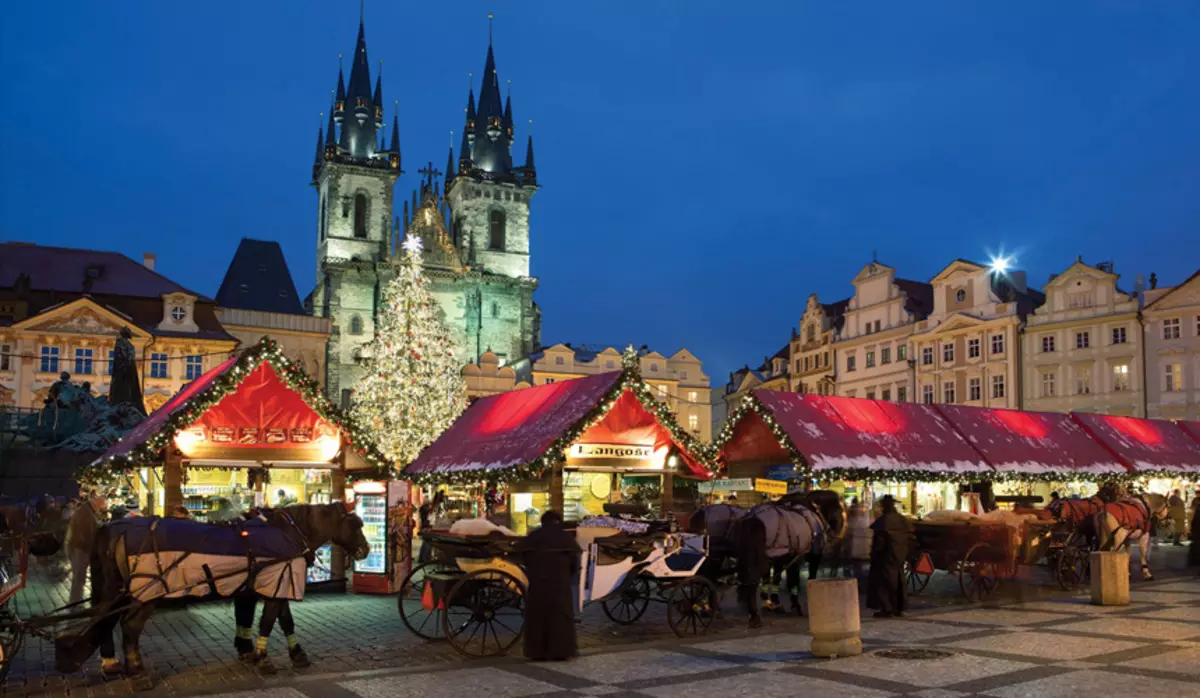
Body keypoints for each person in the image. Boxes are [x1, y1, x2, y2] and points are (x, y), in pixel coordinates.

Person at [518, 510, 580, 660]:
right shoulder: (566, 538)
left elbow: (524, 558)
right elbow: (574, 562)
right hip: (560, 584)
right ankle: (560, 651)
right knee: (560, 616)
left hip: (538, 583)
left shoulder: (533, 536)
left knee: (537, 617)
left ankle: (536, 652)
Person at [866, 495, 914, 618]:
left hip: (885, 555)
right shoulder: (902, 520)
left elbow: (879, 542)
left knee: (884, 581)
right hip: (899, 554)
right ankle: (898, 607)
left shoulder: (883, 521)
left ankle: (887, 608)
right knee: (899, 579)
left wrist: (874, 553)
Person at [65, 493, 107, 604]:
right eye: (102, 506)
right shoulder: (86, 514)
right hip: (80, 548)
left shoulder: (87, 511)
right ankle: (75, 603)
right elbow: (86, 534)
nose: (103, 509)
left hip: (78, 547)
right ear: (97, 504)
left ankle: (76, 601)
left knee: (79, 578)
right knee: (79, 578)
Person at [843, 497, 871, 585]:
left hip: (857, 548)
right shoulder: (868, 521)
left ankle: (859, 582)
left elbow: (848, 534)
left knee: (857, 566)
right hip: (866, 548)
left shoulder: (853, 521)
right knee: (860, 566)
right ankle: (863, 582)